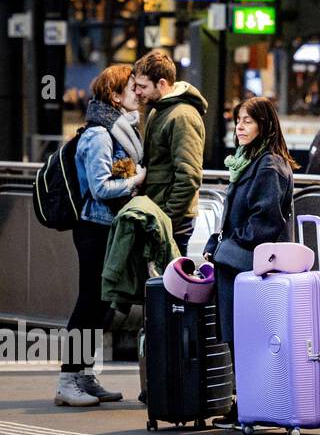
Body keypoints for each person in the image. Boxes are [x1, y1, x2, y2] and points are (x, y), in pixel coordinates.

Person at [57, 65, 147, 407]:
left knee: (101, 305)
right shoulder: (99, 134)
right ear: (114, 96)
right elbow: (99, 187)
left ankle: (85, 375)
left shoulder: (120, 129)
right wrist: (135, 180)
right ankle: (68, 380)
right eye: (130, 88)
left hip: (109, 228)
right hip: (93, 228)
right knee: (88, 304)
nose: (137, 93)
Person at [203, 97, 295, 416]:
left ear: (265, 125)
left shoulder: (268, 165)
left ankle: (252, 401)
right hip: (240, 263)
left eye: (248, 121)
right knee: (240, 335)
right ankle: (245, 399)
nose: (239, 127)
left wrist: (227, 245)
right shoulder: (248, 161)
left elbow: (263, 223)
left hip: (251, 267)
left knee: (247, 336)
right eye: (237, 120)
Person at [133, 49, 208, 252]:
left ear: (162, 83)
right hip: (159, 213)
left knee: (166, 282)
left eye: (142, 86)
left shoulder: (182, 116)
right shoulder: (159, 110)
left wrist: (167, 219)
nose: (137, 92)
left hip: (172, 220)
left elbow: (189, 175)